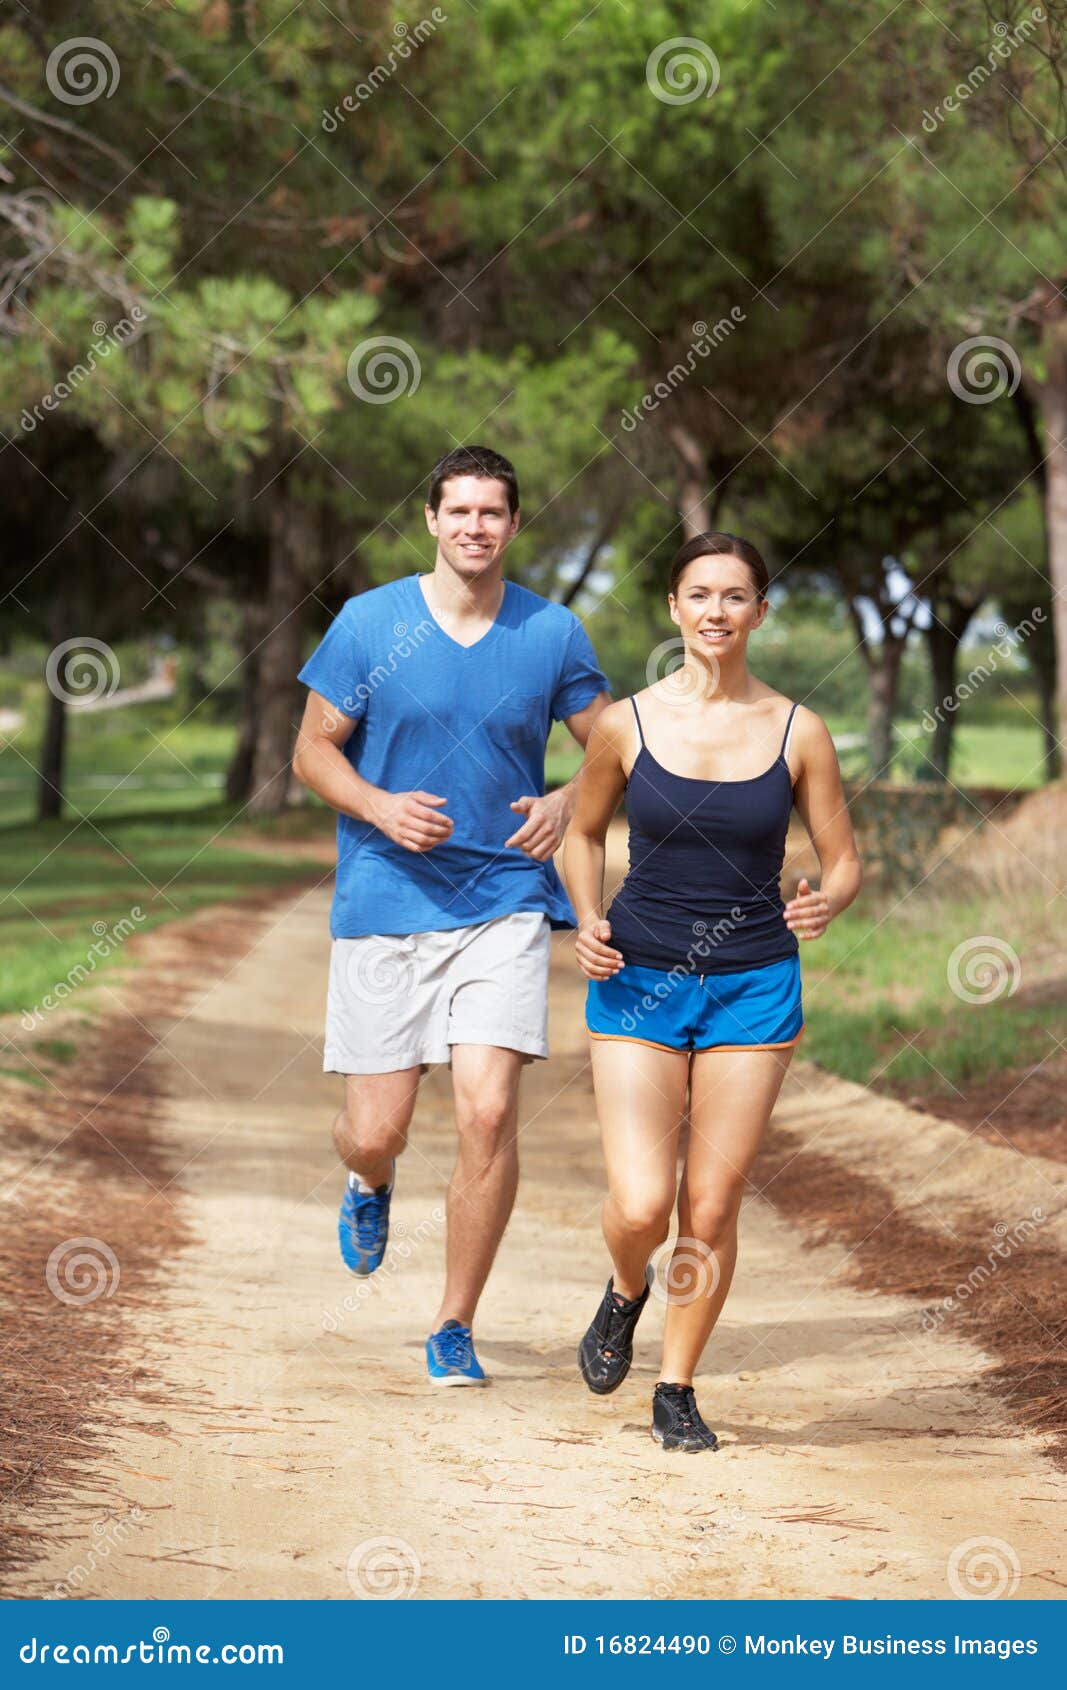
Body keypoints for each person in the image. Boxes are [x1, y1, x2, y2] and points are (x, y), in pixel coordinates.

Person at [292, 445, 611, 1386]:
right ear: (431, 520)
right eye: (458, 511)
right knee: (377, 1126)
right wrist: (379, 806)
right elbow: (312, 752)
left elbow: (616, 747)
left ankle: (454, 1322)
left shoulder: (551, 633)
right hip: (387, 901)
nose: (475, 526)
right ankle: (368, 1180)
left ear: (514, 525)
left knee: (487, 1109)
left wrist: (564, 802)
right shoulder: (367, 622)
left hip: (504, 903)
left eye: (493, 512)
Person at [562, 531, 862, 1450]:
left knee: (712, 1207)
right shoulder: (627, 724)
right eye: (699, 595)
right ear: (674, 610)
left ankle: (677, 1386)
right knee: (643, 1205)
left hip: (754, 986)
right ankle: (625, 1289)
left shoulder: (795, 729)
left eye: (735, 597)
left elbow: (844, 860)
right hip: (638, 980)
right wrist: (586, 918)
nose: (716, 612)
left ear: (760, 613)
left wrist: (825, 905)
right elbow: (580, 836)